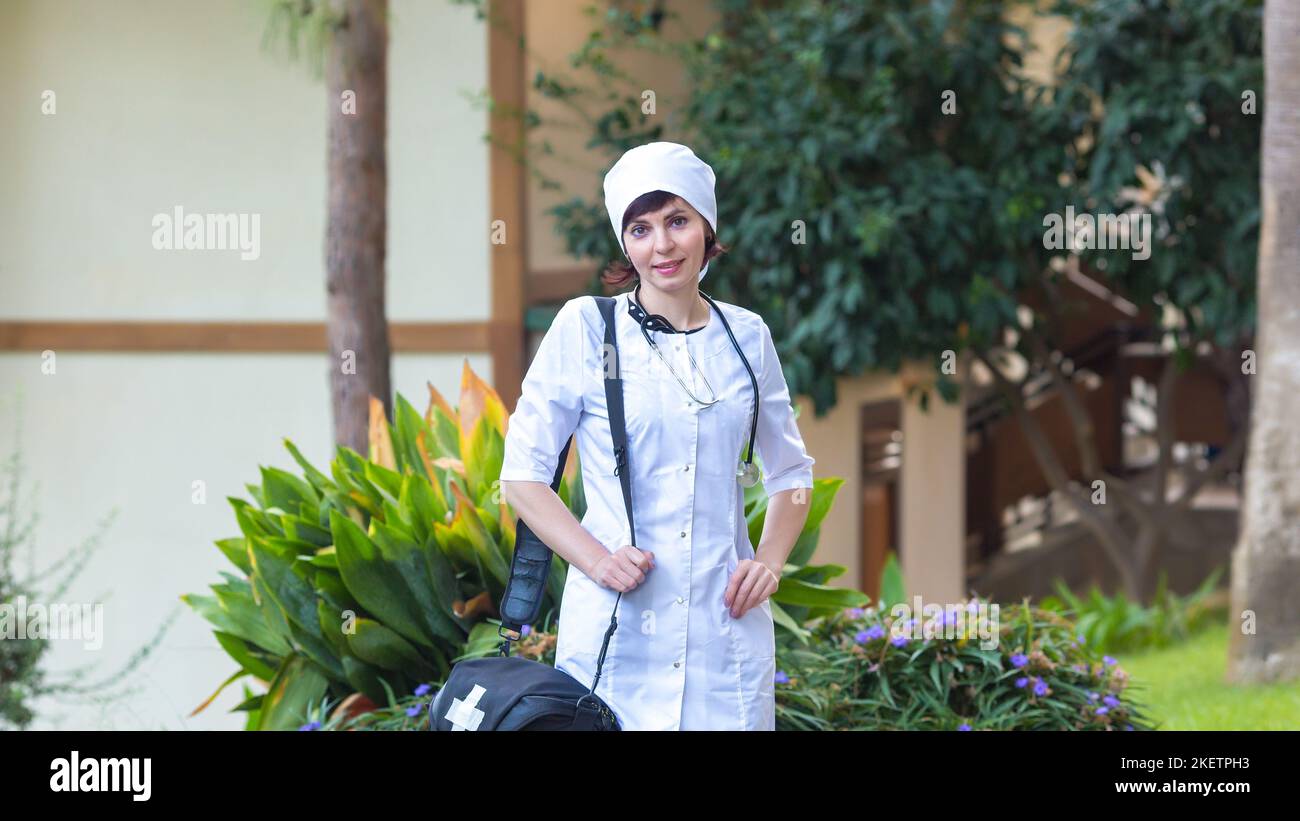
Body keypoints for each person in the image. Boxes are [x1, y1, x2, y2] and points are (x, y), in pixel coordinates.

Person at [499, 141, 815, 730]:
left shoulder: (748, 338)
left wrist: (769, 562)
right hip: (617, 637)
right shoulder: (587, 328)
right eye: (640, 229)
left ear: (707, 228)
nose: (662, 245)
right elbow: (523, 477)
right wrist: (596, 561)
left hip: (725, 639)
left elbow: (792, 474)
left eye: (677, 221)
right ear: (625, 243)